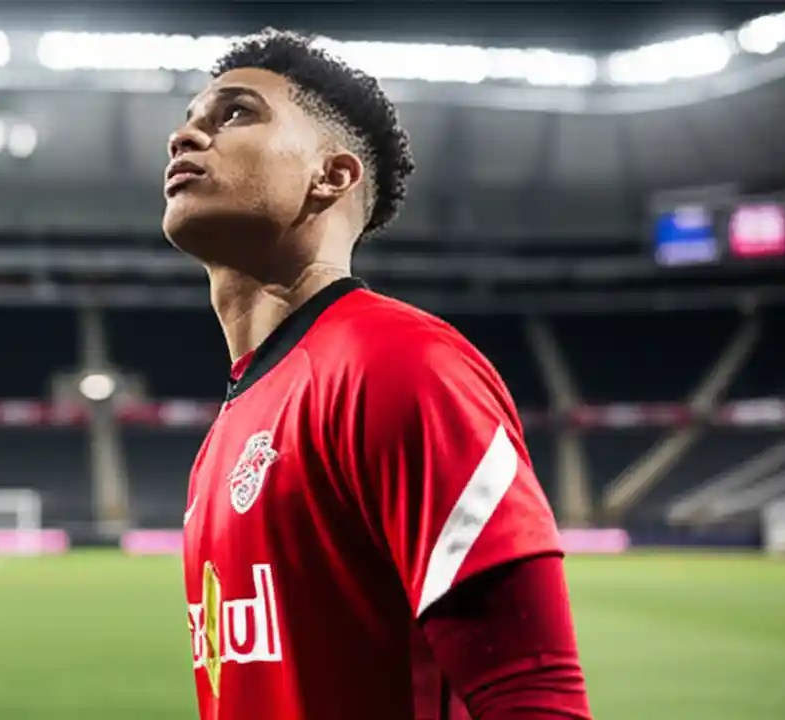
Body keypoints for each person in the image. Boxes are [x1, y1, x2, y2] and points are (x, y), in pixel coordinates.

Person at [163, 28, 593, 719]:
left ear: (332, 175)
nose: (183, 138)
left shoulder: (398, 364)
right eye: (186, 122)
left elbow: (532, 695)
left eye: (234, 113)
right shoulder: (231, 427)